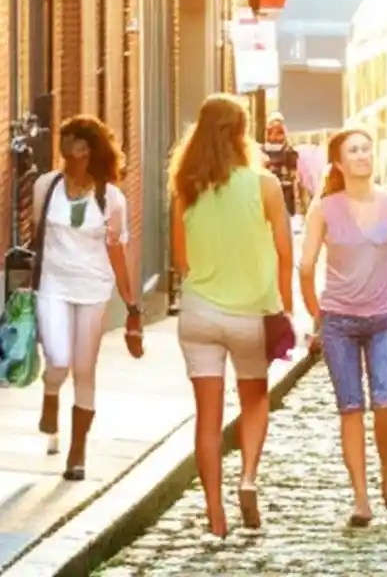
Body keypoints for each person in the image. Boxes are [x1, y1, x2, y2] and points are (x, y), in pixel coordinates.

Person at [169, 95, 294, 538]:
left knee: (207, 416)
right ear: (242, 133)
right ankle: (247, 477)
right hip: (250, 313)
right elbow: (284, 252)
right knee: (255, 399)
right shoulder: (264, 186)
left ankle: (214, 512)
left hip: (199, 312)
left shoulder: (187, 186)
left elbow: (181, 259)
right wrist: (286, 304)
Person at [298, 129, 387, 526]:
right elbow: (305, 266)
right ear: (338, 162)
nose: (363, 155)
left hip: (386, 320)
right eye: (354, 150)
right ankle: (361, 499)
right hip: (340, 324)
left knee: (386, 401)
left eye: (367, 148)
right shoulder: (325, 209)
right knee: (350, 408)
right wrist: (318, 313)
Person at [31, 116, 143, 481]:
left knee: (83, 368)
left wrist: (131, 305)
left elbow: (117, 252)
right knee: (59, 360)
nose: (67, 148)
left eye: (75, 142)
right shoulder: (46, 187)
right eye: (64, 141)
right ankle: (50, 391)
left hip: (93, 288)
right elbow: (38, 236)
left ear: (89, 149)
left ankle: (77, 451)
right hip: (53, 283)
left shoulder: (111, 198)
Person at [261, 113, 302, 222]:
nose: (274, 135)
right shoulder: (261, 151)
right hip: (266, 191)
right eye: (271, 131)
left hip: (285, 191)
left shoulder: (289, 152)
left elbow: (294, 175)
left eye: (279, 131)